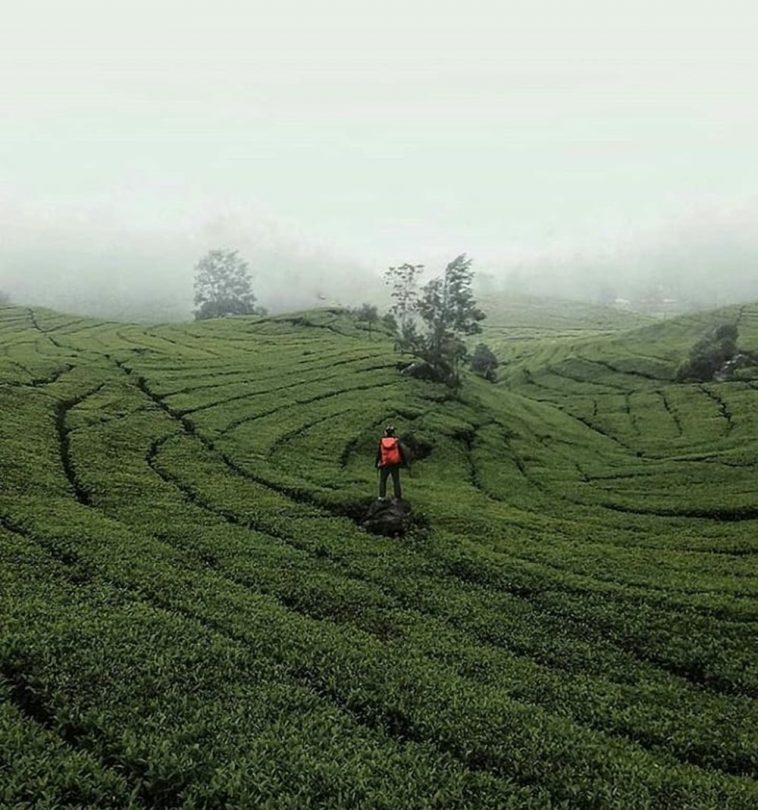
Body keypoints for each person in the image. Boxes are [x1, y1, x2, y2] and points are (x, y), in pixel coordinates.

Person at [375, 424, 407, 500]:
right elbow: (401, 452)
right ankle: (398, 496)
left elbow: (379, 453)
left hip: (385, 463)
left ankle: (381, 497)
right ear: (393, 433)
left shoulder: (382, 441)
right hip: (395, 463)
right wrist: (404, 462)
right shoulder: (396, 441)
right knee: (396, 480)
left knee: (383, 480)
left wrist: (376, 463)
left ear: (386, 432)